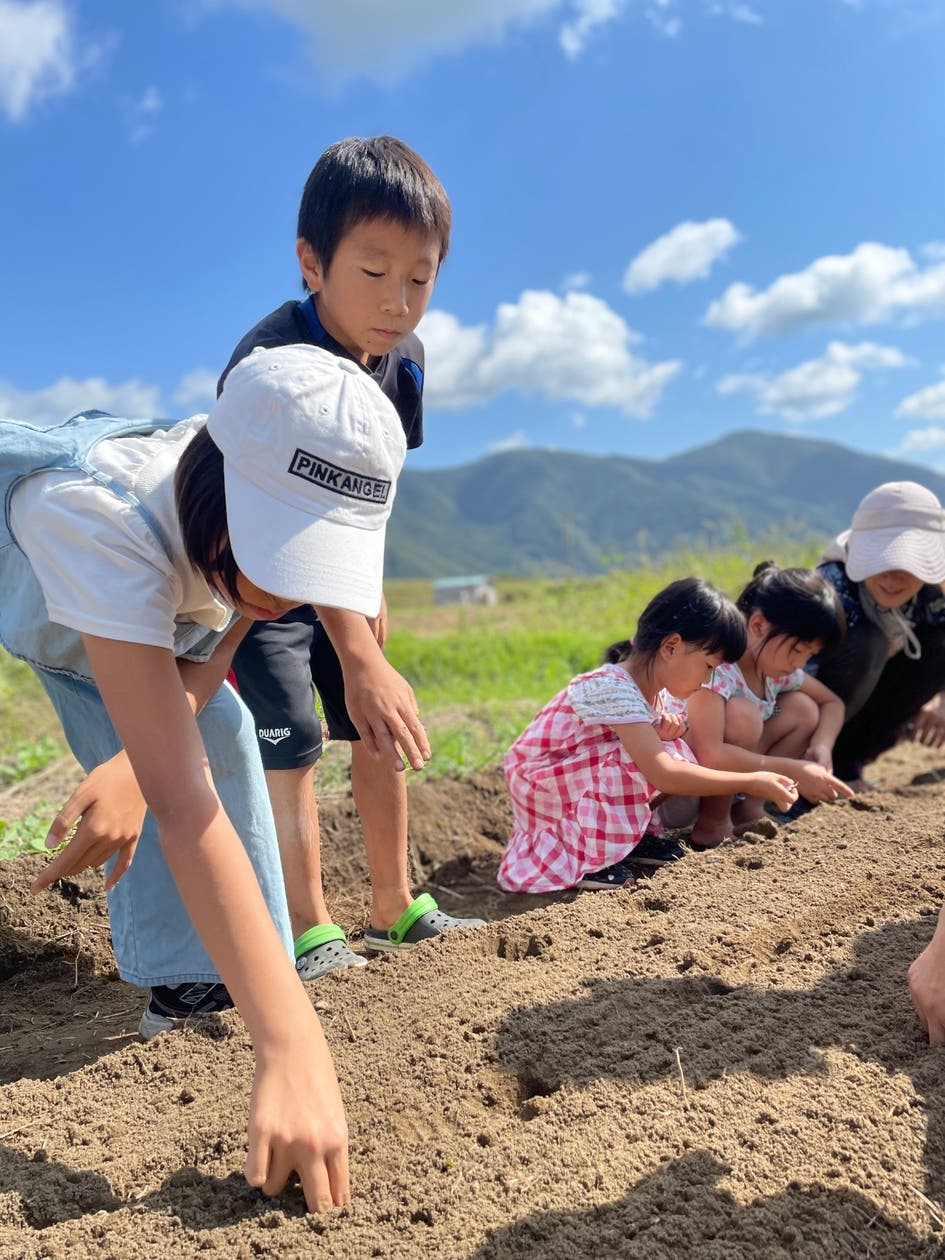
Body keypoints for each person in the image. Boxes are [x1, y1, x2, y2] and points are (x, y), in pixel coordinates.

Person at [0, 344, 411, 1210]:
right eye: (280, 557)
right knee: (176, 778)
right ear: (213, 487)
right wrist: (293, 1050)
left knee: (219, 727)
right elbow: (186, 806)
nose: (288, 594)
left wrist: (137, 769)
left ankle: (234, 969)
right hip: (60, 600)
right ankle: (189, 981)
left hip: (142, 611)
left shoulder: (233, 505)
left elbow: (216, 642)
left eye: (312, 569)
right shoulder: (92, 519)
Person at [218, 136, 483, 980]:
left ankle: (392, 906)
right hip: (258, 576)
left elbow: (368, 489)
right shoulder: (269, 366)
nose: (397, 302)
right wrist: (357, 652)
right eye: (373, 272)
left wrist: (369, 599)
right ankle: (308, 928)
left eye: (420, 278)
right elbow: (290, 513)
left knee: (379, 726)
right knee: (291, 738)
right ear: (311, 262)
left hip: (340, 566)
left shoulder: (404, 365)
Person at [496, 578, 799, 895]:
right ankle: (588, 857)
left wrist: (666, 736)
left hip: (572, 781)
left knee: (673, 747)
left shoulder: (655, 693)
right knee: (650, 758)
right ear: (671, 647)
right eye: (708, 667)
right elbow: (663, 774)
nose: (707, 680)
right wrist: (750, 781)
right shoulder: (613, 687)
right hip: (543, 787)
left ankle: (629, 841)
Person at [680, 563, 853, 848]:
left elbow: (832, 703)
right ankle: (713, 822)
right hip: (682, 787)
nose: (800, 663)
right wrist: (794, 769)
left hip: (729, 777)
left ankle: (748, 809)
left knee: (803, 709)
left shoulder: (774, 670)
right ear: (759, 625)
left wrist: (821, 746)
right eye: (797, 650)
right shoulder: (717, 667)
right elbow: (709, 755)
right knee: (743, 715)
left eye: (810, 654)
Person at [812, 481, 945, 787]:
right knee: (868, 643)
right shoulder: (830, 592)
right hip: (810, 709)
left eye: (909, 564)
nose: (894, 577)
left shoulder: (930, 592)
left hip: (864, 708)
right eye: (882, 559)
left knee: (939, 646)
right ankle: (817, 767)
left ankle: (848, 763)